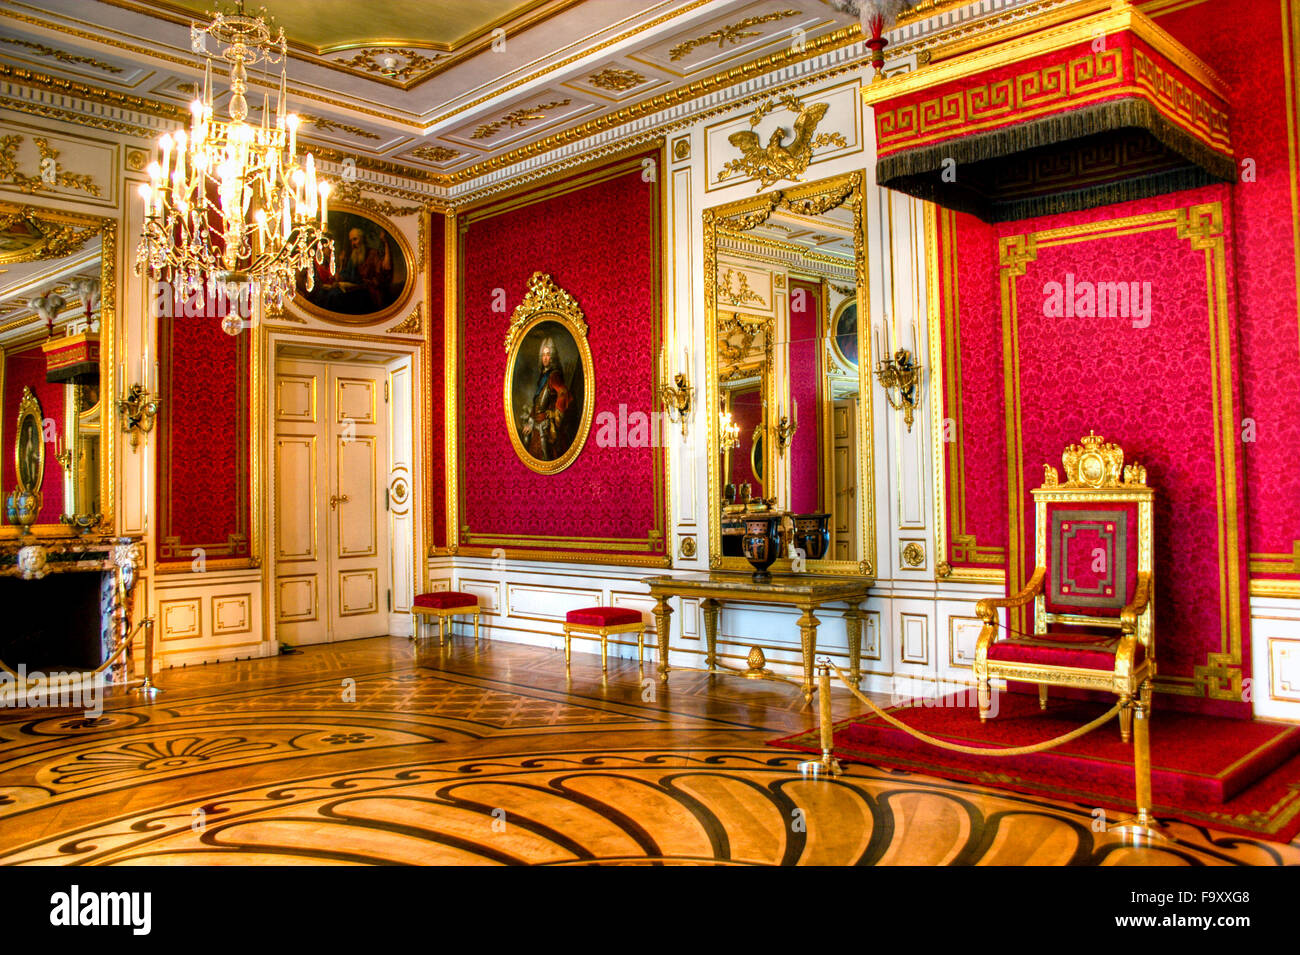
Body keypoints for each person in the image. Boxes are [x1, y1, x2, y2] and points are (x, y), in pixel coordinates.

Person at [313, 226, 394, 312]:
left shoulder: (372, 254)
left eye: (355, 239)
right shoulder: (354, 255)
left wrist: (386, 243)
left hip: (367, 291)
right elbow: (348, 273)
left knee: (335, 296)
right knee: (324, 293)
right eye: (351, 241)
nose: (353, 243)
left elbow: (385, 268)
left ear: (362, 239)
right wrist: (339, 277)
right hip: (353, 288)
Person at [519, 337, 572, 461]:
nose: (545, 358)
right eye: (543, 355)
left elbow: (563, 392)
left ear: (552, 357)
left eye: (548, 355)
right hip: (537, 427)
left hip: (547, 428)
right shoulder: (543, 377)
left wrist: (556, 413)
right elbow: (538, 404)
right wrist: (530, 423)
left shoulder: (554, 376)